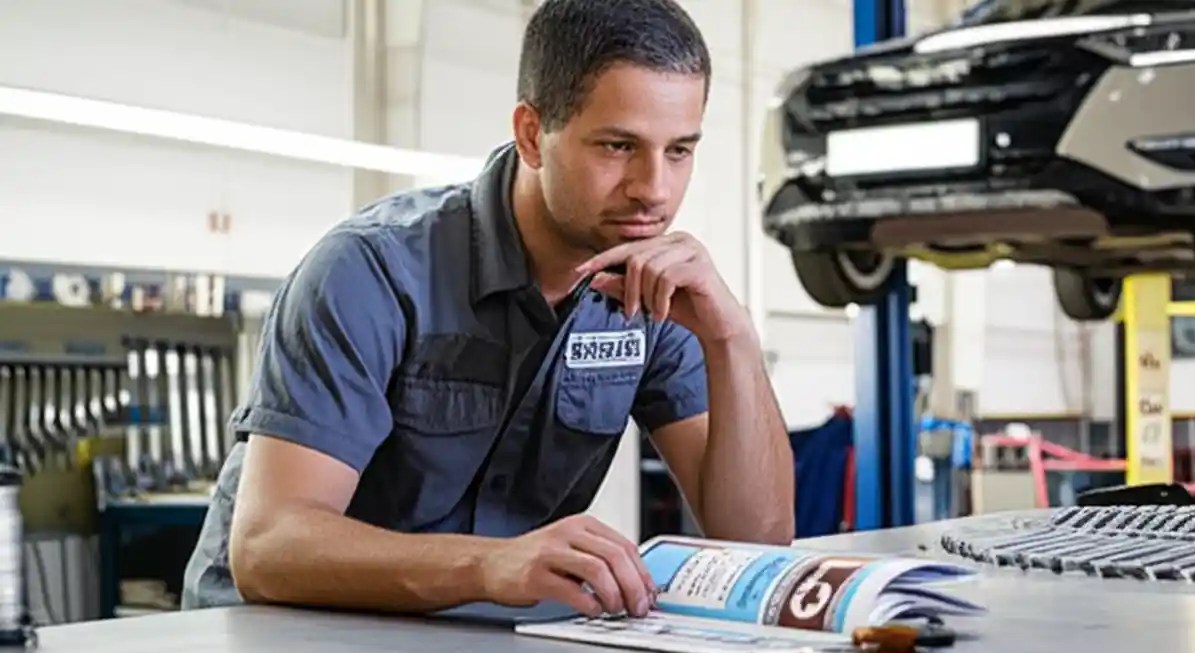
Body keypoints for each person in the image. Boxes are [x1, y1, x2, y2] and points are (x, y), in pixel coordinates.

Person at [181, 0, 795, 619]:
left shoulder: (655, 291)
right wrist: (491, 562)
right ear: (532, 134)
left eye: (680, 152)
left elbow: (755, 544)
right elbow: (269, 547)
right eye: (617, 146)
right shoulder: (370, 273)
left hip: (468, 642)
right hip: (279, 642)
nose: (654, 189)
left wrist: (732, 337)